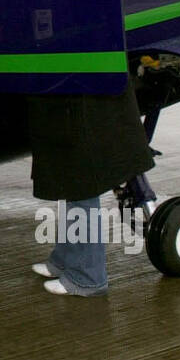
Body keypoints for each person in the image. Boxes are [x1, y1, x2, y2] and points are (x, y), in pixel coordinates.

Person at [25, 78, 155, 295]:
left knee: (81, 182)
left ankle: (88, 276)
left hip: (83, 91)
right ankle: (66, 259)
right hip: (66, 87)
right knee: (69, 178)